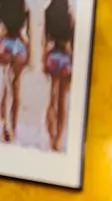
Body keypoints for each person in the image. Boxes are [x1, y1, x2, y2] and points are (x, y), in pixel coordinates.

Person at [42, 0, 72, 151]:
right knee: (62, 102)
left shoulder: (48, 11)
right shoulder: (70, 14)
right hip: (66, 59)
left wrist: (43, 62)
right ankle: (58, 139)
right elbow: (72, 45)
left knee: (52, 99)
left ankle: (51, 136)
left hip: (52, 56)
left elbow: (45, 41)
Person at [0, 0, 29, 143]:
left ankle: (5, 125)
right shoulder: (23, 4)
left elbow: (1, 29)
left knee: (5, 87)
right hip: (19, 45)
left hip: (5, 44)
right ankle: (13, 126)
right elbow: (25, 33)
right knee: (15, 88)